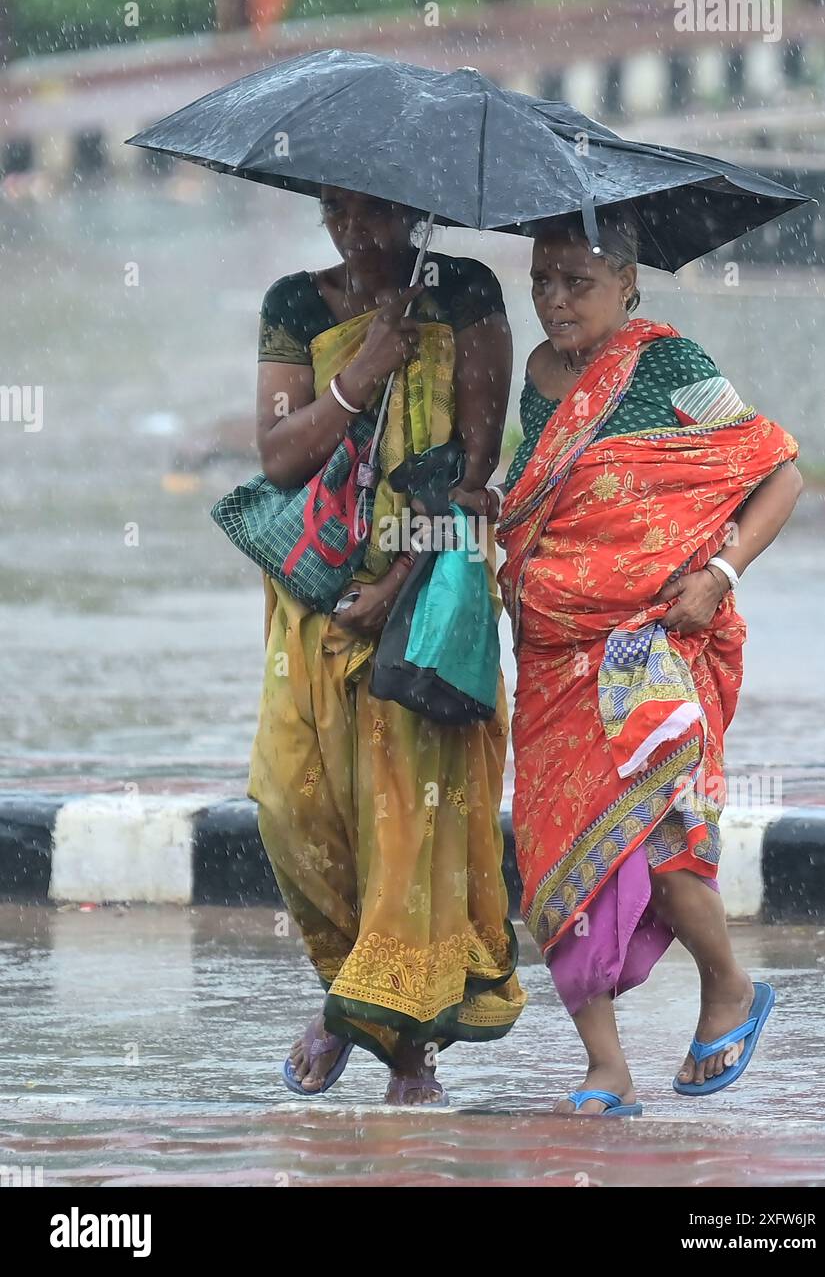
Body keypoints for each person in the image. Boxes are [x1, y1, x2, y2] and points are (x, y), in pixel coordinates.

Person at [489, 211, 801, 1115]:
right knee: (554, 859)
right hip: (552, 655)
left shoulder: (671, 365)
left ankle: (729, 987)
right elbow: (549, 492)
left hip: (647, 645)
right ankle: (606, 1068)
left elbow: (776, 470)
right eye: (542, 280)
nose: (553, 300)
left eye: (575, 282)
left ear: (628, 283)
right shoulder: (541, 379)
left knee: (664, 842)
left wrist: (719, 573)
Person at [247, 186, 526, 1105]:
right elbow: (281, 456)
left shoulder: (464, 293)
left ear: (412, 210)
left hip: (426, 588)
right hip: (314, 596)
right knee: (296, 807)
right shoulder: (295, 302)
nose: (351, 229)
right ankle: (346, 999)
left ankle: (402, 1052)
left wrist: (401, 579)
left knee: (410, 824)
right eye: (335, 209)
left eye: (371, 212)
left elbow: (477, 471)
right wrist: (361, 372)